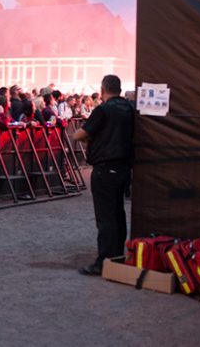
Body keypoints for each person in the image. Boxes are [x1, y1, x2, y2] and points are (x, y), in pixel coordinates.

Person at [73, 75, 134, 276]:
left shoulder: (103, 110)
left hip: (104, 168)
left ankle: (103, 261)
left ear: (102, 89)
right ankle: (117, 256)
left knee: (105, 216)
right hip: (124, 167)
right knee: (118, 213)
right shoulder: (129, 109)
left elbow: (79, 135)